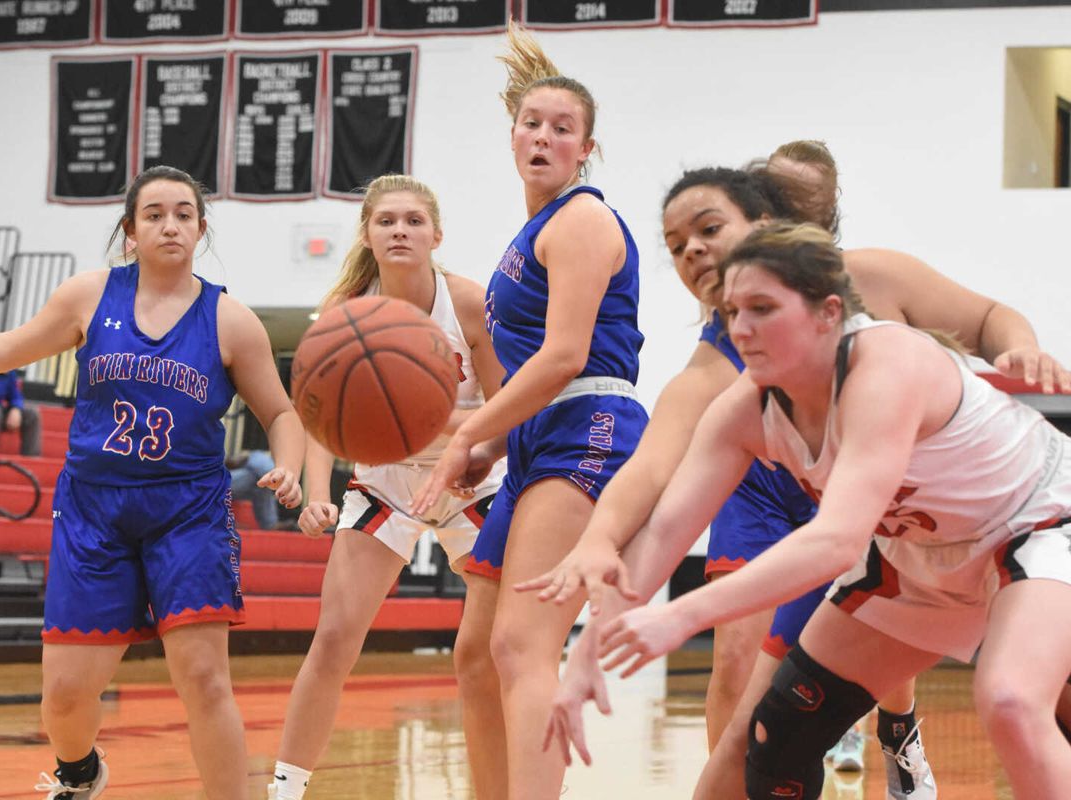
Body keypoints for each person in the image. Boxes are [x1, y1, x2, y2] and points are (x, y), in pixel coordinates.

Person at [520, 163, 1071, 800]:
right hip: (917, 561)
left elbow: (836, 544)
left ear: (826, 313)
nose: (743, 328)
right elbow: (665, 532)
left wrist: (678, 618)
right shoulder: (741, 409)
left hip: (1037, 526)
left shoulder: (884, 362)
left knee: (1011, 702)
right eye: (731, 312)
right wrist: (588, 650)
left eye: (762, 309)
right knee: (773, 739)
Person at [0, 164, 306, 800]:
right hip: (93, 511)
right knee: (67, 697)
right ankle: (80, 772)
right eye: (154, 214)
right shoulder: (88, 295)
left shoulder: (231, 320)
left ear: (201, 228)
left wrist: (288, 462)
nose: (170, 225)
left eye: (183, 213)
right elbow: (7, 348)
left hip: (189, 512)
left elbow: (282, 413)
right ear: (130, 230)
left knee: (206, 680)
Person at [409, 22, 647, 800]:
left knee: (521, 645)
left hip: (592, 427)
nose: (544, 137)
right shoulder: (530, 231)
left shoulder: (583, 218)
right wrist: (497, 444)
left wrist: (466, 434)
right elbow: (535, 378)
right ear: (512, 135)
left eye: (563, 128)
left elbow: (564, 358)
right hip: (540, 438)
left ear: (587, 149)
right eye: (532, 123)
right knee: (476, 653)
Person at [270, 174, 506, 800]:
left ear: (436, 233)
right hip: (385, 484)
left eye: (412, 220)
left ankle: (524, 786)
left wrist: (438, 426)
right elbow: (322, 419)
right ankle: (285, 789)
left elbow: (506, 408)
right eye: (386, 221)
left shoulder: (468, 302)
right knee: (335, 639)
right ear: (368, 235)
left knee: (498, 652)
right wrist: (316, 490)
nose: (400, 230)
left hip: (471, 479)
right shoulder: (350, 307)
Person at [228, 449, 279, 530]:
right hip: (216, 482)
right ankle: (274, 476)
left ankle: (273, 476)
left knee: (261, 483)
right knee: (259, 475)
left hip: (230, 481)